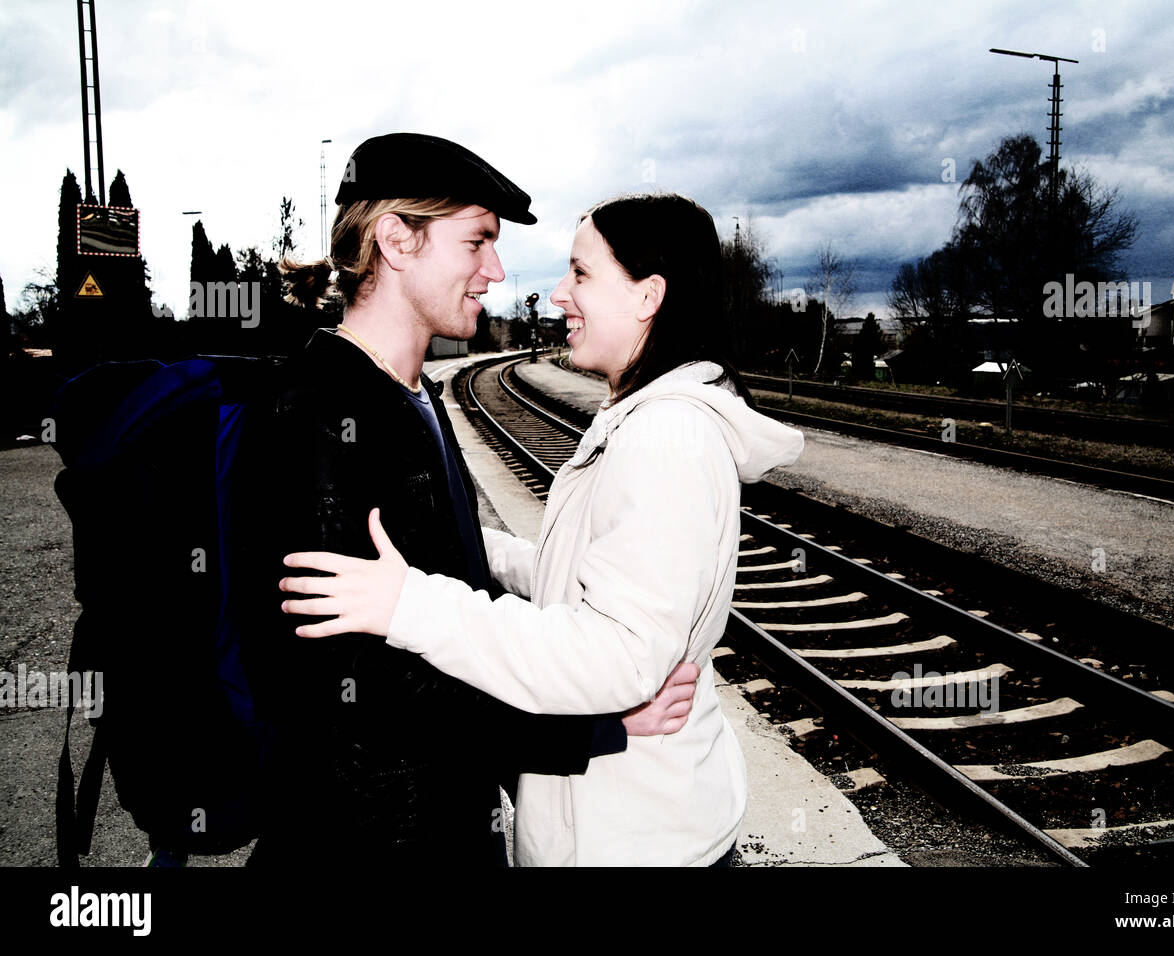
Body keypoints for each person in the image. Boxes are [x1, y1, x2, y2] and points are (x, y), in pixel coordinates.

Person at [279, 193, 806, 866]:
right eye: (478, 243)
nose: (558, 294)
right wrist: (473, 548)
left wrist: (413, 603)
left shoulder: (668, 436)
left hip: (630, 840)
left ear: (648, 297)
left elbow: (618, 655)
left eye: (581, 274)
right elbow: (593, 566)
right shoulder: (646, 418)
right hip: (616, 820)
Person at [233, 135, 697, 868]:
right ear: (396, 239)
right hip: (364, 846)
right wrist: (597, 723)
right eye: (477, 241)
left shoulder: (413, 399)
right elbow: (357, 689)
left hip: (442, 827)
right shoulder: (317, 417)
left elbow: (452, 590)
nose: (497, 270)